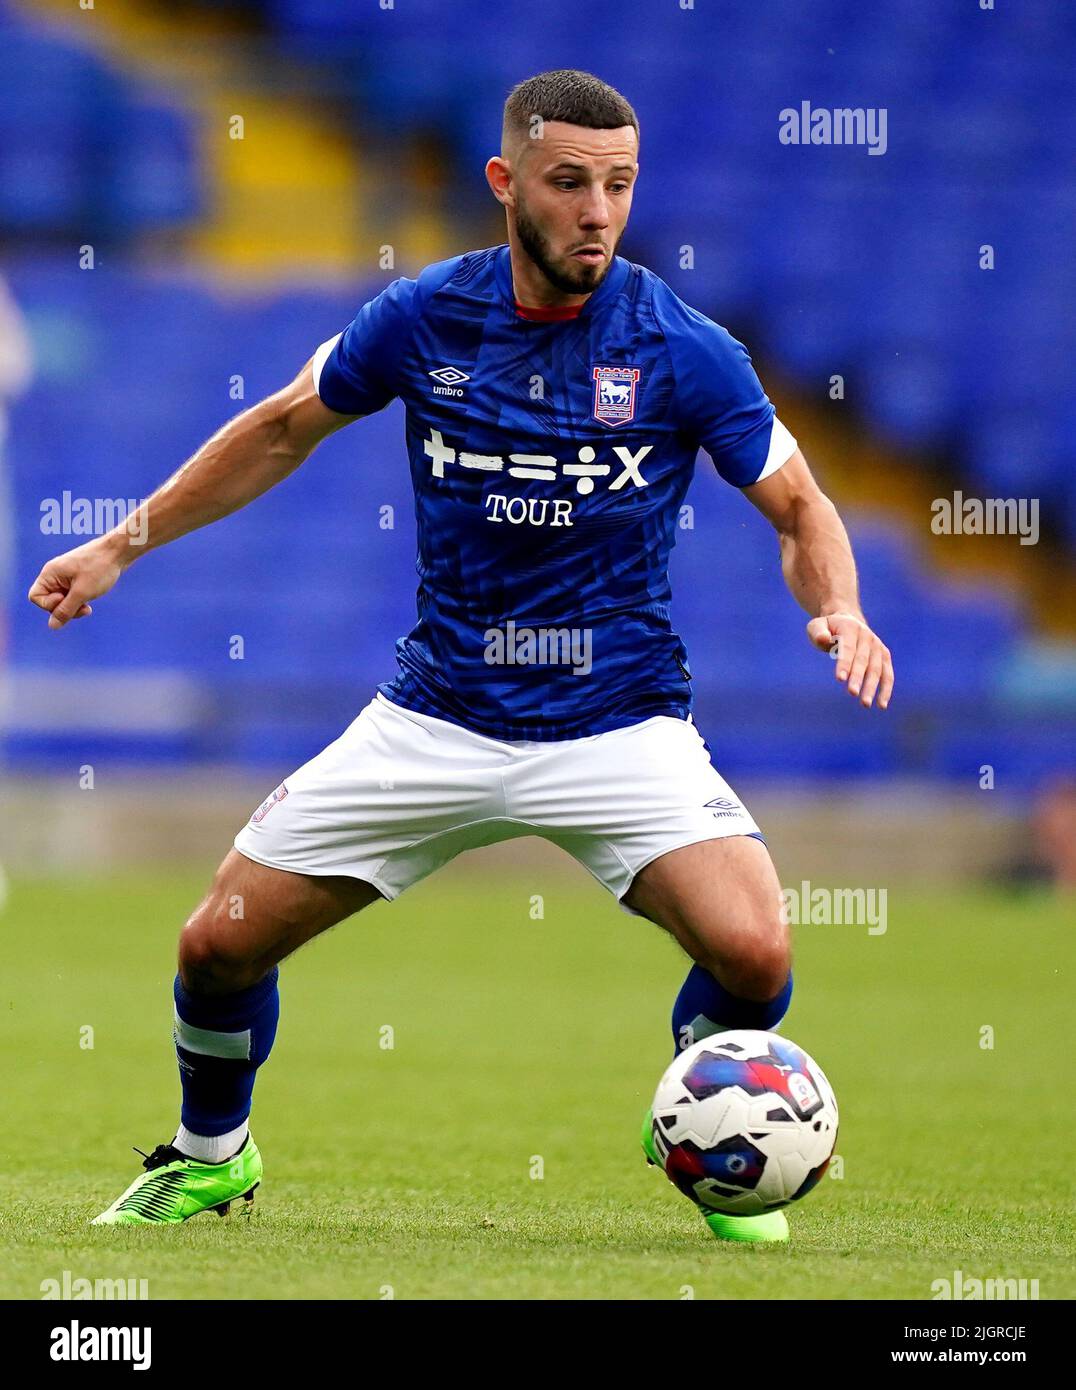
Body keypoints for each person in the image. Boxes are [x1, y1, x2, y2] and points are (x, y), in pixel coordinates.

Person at [28, 70, 893, 1243]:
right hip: (434, 717)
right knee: (214, 944)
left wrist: (838, 607)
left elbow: (799, 510)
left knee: (753, 946)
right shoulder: (424, 318)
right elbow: (283, 423)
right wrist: (123, 543)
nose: (598, 210)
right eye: (570, 182)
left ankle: (703, 1135)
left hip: (616, 721)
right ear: (505, 183)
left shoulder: (682, 348)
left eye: (619, 186)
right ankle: (210, 1152)